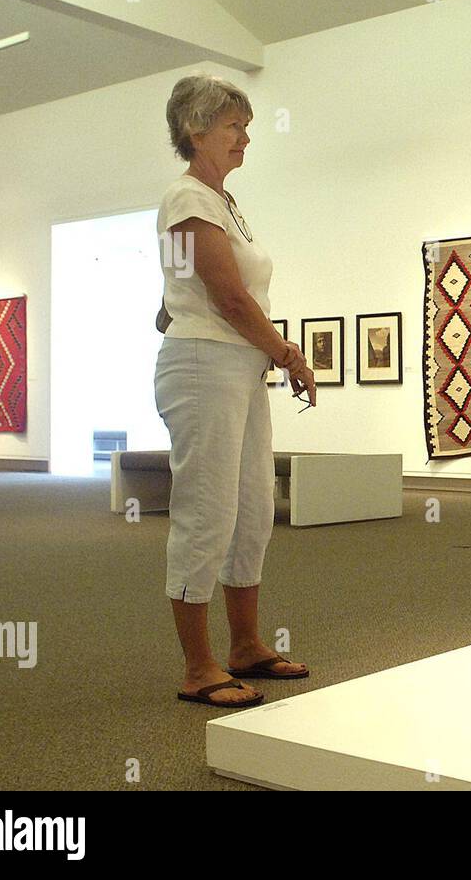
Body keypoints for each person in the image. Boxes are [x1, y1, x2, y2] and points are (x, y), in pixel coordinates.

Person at [155, 74, 315, 707]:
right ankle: (199, 666)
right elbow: (226, 295)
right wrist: (287, 354)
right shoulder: (186, 197)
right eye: (234, 127)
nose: (245, 138)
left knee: (251, 510)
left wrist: (266, 355)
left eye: (246, 127)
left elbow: (189, 291)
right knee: (206, 511)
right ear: (196, 131)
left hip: (237, 369)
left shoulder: (223, 205)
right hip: (203, 368)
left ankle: (245, 645)